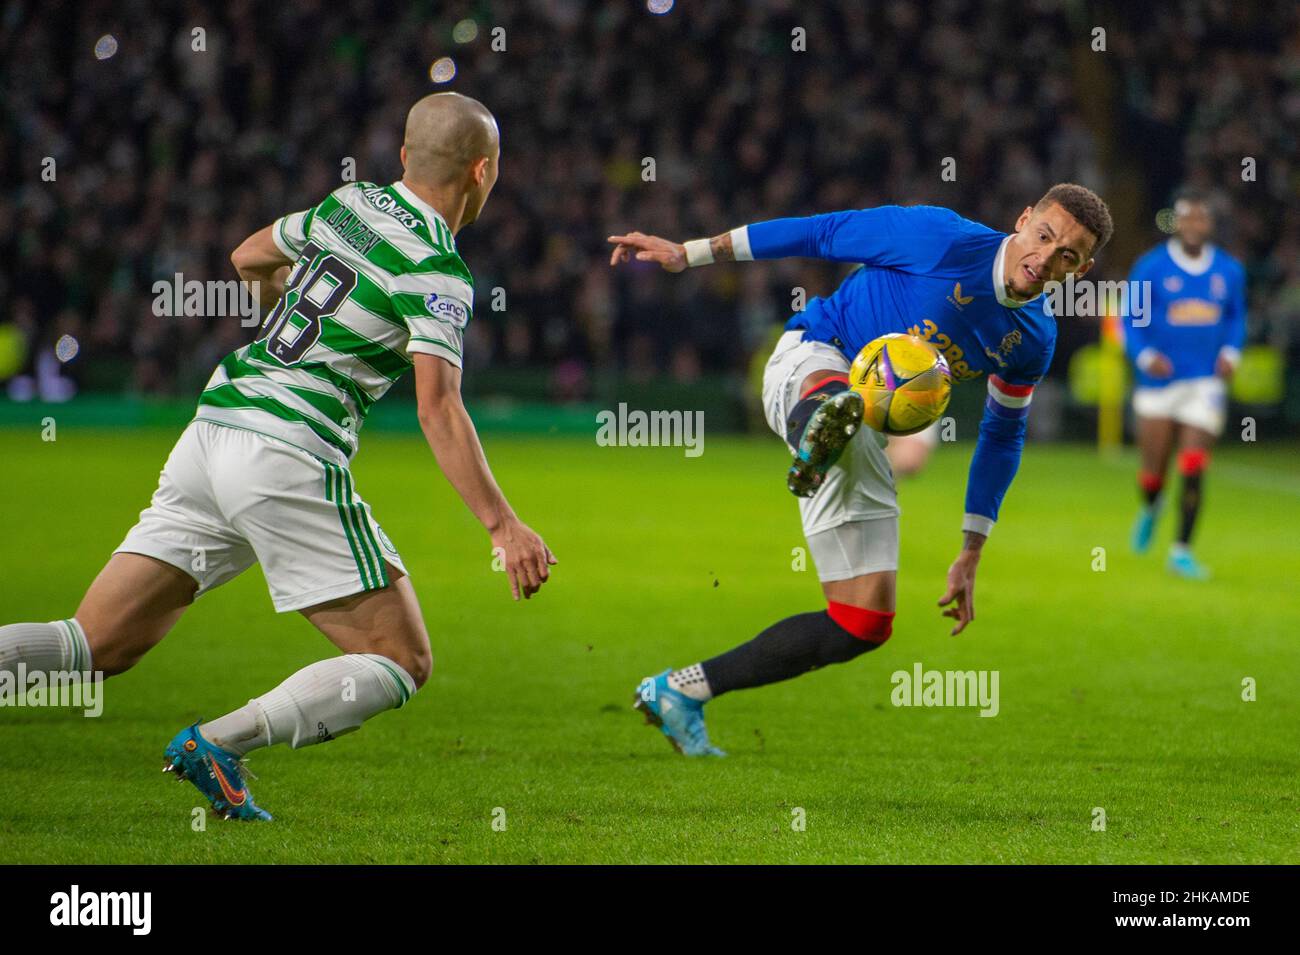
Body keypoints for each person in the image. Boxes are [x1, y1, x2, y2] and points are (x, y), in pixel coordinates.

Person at [0, 92, 556, 819]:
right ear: (482, 172)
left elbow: (248, 255)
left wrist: (284, 311)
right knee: (402, 659)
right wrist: (502, 525)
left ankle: (216, 747)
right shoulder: (438, 270)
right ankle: (219, 743)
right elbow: (438, 407)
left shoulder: (347, 204)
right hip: (285, 451)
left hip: (214, 429)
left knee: (94, 645)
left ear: (402, 159)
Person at [609, 183, 1111, 755]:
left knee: (862, 622)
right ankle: (818, 423)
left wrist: (973, 546)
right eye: (1043, 235)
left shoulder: (1035, 337)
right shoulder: (938, 236)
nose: (1044, 258)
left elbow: (1002, 434)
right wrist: (689, 253)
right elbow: (821, 232)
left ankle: (681, 691)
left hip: (870, 431)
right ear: (1023, 219)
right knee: (836, 396)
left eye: (1067, 256)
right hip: (816, 355)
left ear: (1082, 269)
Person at [1125, 191, 1246, 579]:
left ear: (1209, 224)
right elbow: (1130, 320)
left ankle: (1181, 551)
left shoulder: (1228, 270)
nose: (1194, 225)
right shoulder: (1151, 267)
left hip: (1204, 383)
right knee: (1153, 472)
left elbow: (1236, 318)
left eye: (1201, 219)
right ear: (1176, 223)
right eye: (1187, 218)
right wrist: (1145, 356)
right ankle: (1151, 505)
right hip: (1158, 384)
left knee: (1193, 464)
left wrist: (1232, 351)